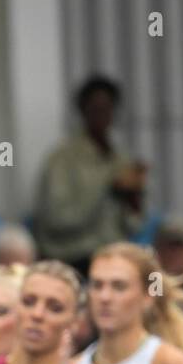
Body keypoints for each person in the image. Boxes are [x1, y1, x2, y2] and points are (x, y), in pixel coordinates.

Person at [34, 76, 145, 274]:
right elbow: (55, 220)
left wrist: (133, 199)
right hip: (72, 257)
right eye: (95, 108)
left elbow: (135, 225)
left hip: (114, 256)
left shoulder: (121, 159)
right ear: (83, 111)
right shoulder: (62, 159)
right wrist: (107, 190)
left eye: (107, 108)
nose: (102, 115)